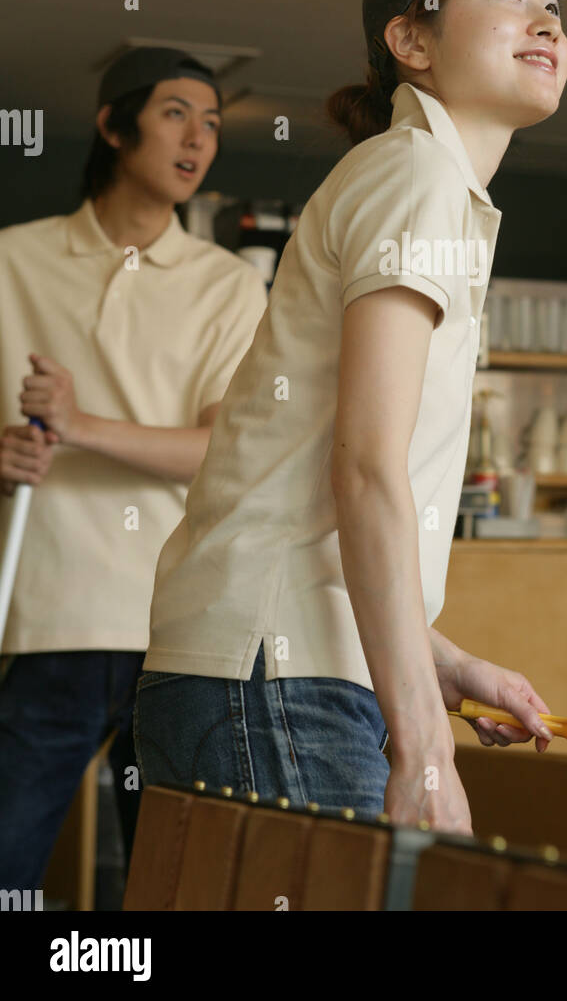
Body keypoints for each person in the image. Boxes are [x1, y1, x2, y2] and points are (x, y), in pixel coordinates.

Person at [135, 0, 567, 836]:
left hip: (252, 673)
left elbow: (303, 509)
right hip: (279, 684)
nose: (547, 20)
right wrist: (426, 748)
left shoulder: (413, 178)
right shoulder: (418, 176)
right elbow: (364, 470)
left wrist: (446, 661)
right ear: (411, 39)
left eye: (553, 3)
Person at [0, 48, 268, 891]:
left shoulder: (229, 285)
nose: (200, 139)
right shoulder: (12, 260)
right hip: (53, 620)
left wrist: (79, 427)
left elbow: (225, 456)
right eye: (176, 114)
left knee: (171, 884)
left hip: (182, 627)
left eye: (214, 122)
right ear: (115, 127)